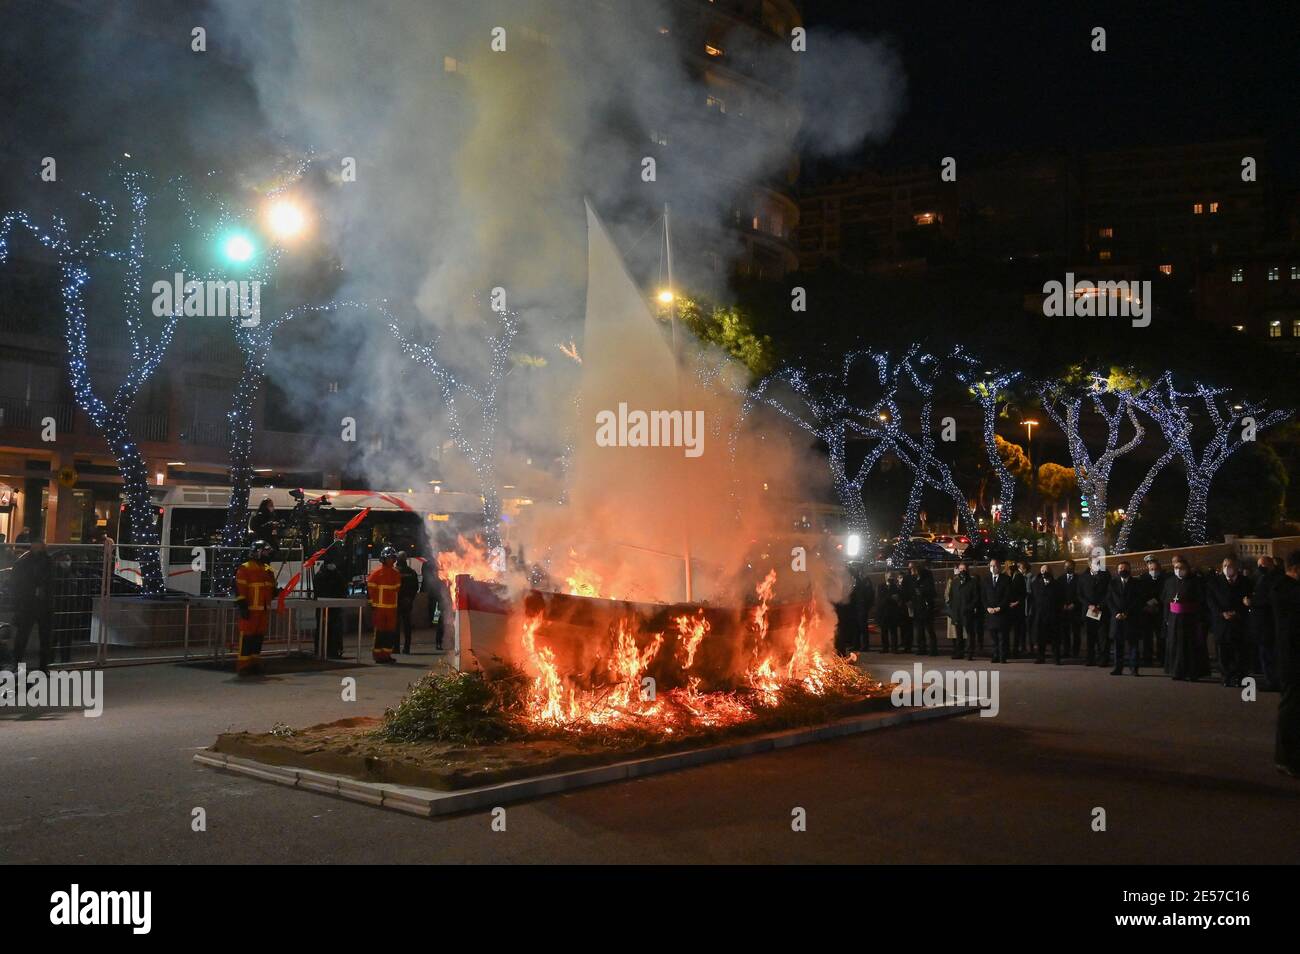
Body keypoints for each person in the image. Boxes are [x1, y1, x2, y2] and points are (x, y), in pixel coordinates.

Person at [1272, 550, 1300, 777]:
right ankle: (1286, 757)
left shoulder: (1283, 588)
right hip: (1293, 657)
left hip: (1289, 655)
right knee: (1292, 707)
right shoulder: (1288, 592)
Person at [234, 540, 277, 676]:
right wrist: (242, 605)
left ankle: (254, 663)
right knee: (247, 638)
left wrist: (276, 592)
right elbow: (240, 588)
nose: (267, 554)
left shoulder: (267, 569)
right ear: (257, 552)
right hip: (251, 609)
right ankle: (244, 666)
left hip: (263, 610)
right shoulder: (245, 568)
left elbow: (269, 588)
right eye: (265, 551)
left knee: (258, 638)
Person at [1207, 556, 1252, 688]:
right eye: (1225, 565)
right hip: (1222, 622)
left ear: (1236, 567)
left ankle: (1240, 676)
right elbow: (1211, 601)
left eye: (1230, 565)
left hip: (1239, 621)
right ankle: (1226, 676)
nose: (1227, 568)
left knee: (1240, 651)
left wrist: (1237, 612)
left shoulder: (1246, 582)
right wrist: (1222, 613)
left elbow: (1248, 599)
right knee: (1223, 652)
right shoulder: (1214, 582)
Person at [11, 539, 54, 672]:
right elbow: (18, 582)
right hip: (31, 603)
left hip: (39, 603)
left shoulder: (45, 560)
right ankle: (18, 664)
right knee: (24, 636)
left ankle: (42, 666)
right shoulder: (30, 561)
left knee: (42, 637)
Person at [1163, 554, 1207, 681]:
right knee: (1175, 645)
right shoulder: (1169, 582)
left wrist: (1200, 618)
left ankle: (1193, 672)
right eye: (1176, 567)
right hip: (1173, 619)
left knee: (1190, 646)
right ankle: (1177, 671)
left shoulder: (1195, 581)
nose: (1178, 569)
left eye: (1181, 567)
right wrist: (1166, 618)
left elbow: (1201, 601)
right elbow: (1166, 602)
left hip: (1190, 620)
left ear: (1187, 568)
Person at [1247, 556, 1283, 691]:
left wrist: (1253, 602)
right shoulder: (1260, 577)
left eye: (1263, 565)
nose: (1260, 567)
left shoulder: (1275, 579)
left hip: (1269, 622)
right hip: (1261, 623)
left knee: (1270, 654)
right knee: (1265, 653)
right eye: (1259, 565)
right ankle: (1270, 679)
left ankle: (1273, 681)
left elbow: (1269, 599)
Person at [1106, 560, 1144, 675]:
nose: (1123, 570)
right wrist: (1116, 613)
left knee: (1134, 645)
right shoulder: (1112, 583)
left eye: (1125, 568)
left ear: (1130, 570)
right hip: (1116, 618)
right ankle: (1118, 668)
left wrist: (1127, 613)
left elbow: (1138, 600)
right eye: (1120, 569)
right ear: (1117, 571)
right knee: (1118, 645)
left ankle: (1134, 668)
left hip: (1132, 618)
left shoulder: (1136, 583)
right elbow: (1109, 599)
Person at [367, 546, 402, 664]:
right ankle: (378, 656)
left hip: (391, 608)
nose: (391, 560)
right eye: (389, 558)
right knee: (380, 633)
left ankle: (386, 655)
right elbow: (371, 591)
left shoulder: (396, 573)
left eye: (392, 558)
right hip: (380, 609)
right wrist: (372, 604)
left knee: (389, 633)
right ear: (383, 559)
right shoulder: (376, 573)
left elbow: (397, 589)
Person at [312, 547, 348, 659]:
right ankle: (323, 650)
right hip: (325, 606)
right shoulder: (323, 575)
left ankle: (333, 650)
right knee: (326, 628)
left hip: (333, 606)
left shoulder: (333, 574)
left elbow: (343, 586)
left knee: (333, 629)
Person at [946, 560, 981, 659]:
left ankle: (970, 652)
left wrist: (969, 607)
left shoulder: (973, 582)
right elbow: (951, 596)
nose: (962, 571)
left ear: (967, 570)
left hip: (967, 611)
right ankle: (959, 652)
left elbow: (976, 597)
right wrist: (952, 609)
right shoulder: (955, 582)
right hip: (957, 611)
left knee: (970, 632)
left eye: (963, 569)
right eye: (960, 569)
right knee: (958, 633)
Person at [1031, 564, 1065, 664]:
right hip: (1040, 615)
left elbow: (1060, 599)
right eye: (1042, 570)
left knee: (1055, 638)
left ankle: (1056, 658)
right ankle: (1040, 657)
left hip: (1053, 615)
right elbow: (1033, 599)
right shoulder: (1035, 584)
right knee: (1040, 637)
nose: (1044, 572)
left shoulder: (1057, 584)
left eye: (1046, 570)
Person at [981, 558, 1013, 664]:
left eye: (994, 566)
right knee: (993, 635)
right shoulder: (986, 580)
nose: (992, 568)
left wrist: (1000, 607)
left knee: (1002, 636)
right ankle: (995, 654)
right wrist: (987, 607)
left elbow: (1007, 595)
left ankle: (1002, 656)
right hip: (990, 613)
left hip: (1002, 612)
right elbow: (983, 596)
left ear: (999, 567)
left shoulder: (1006, 579)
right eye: (991, 566)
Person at [1083, 559, 1112, 667]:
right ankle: (1090, 659)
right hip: (1088, 611)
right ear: (1089, 564)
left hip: (1102, 610)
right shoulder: (1084, 577)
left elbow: (1109, 592)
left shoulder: (1105, 576)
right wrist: (1089, 605)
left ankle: (1103, 659)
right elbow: (1080, 594)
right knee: (1090, 637)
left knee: (1103, 637)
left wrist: (1100, 605)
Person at [1140, 556, 1166, 666]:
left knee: (1161, 636)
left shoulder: (1165, 578)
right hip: (1147, 612)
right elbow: (1140, 594)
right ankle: (1147, 659)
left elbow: (1166, 593)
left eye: (1155, 569)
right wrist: (1147, 604)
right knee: (1147, 637)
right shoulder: (1143, 578)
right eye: (1151, 569)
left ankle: (1162, 658)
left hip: (1160, 611)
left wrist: (1158, 603)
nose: (1153, 571)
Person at [909, 562, 938, 656]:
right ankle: (922, 648)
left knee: (929, 629)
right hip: (918, 607)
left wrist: (922, 592)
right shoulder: (914, 580)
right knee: (919, 630)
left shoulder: (926, 579)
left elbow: (932, 592)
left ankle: (933, 649)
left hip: (926, 607)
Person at [395, 552, 420, 655]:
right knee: (407, 626)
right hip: (407, 602)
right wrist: (410, 599)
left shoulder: (394, 572)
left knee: (396, 626)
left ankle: (395, 647)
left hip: (396, 602)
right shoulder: (412, 572)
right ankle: (407, 648)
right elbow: (415, 588)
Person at [847, 564, 875, 653]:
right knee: (855, 627)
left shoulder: (865, 581)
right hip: (855, 607)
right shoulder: (854, 580)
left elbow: (870, 595)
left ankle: (865, 646)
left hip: (862, 606)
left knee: (863, 627)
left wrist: (867, 606)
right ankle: (856, 645)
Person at [1059, 559, 1084, 659]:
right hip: (1064, 610)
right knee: (1065, 632)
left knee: (1076, 632)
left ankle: (1075, 652)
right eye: (1065, 566)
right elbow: (1058, 594)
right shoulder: (1060, 579)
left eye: (1069, 566)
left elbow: (1081, 593)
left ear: (1074, 567)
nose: (1067, 567)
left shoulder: (1080, 579)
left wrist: (1074, 604)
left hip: (1076, 610)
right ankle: (1066, 651)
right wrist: (1063, 604)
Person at [879, 571, 905, 652]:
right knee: (884, 631)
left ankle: (894, 648)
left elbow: (898, 598)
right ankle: (885, 648)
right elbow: (880, 599)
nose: (891, 578)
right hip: (884, 611)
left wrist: (892, 598)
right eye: (890, 576)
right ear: (885, 576)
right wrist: (890, 597)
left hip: (893, 612)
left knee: (893, 631)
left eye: (892, 576)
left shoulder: (895, 587)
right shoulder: (881, 586)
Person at [1009, 560, 1029, 658]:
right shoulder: (1017, 576)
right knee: (1018, 630)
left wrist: (1016, 602)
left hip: (1017, 608)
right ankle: (1017, 648)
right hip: (1016, 607)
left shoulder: (1018, 577)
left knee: (1018, 630)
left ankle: (1016, 649)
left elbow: (1022, 592)